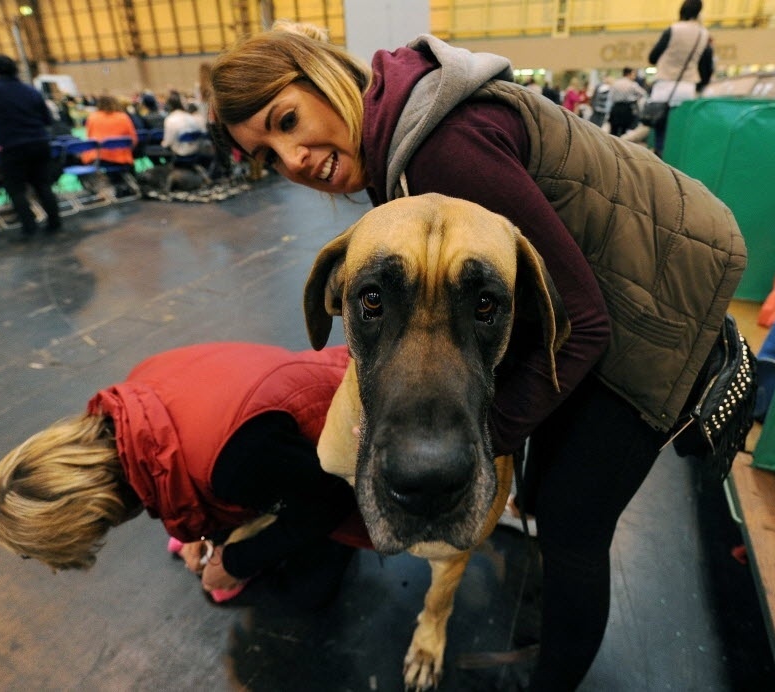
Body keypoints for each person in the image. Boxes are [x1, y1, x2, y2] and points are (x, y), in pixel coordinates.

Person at [210, 20, 745, 691]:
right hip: (605, 289)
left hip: (655, 308)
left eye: (286, 120)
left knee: (573, 527)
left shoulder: (441, 150)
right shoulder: (398, 133)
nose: (291, 159)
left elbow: (582, 324)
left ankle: (554, 681)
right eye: (266, 155)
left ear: (322, 76)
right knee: (546, 482)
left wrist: (478, 446)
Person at [0, 342, 369, 605]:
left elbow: (332, 499)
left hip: (362, 434)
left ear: (98, 514)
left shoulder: (231, 464)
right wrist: (203, 532)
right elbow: (182, 461)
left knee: (303, 594)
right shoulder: (134, 394)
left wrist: (235, 563)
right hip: (305, 406)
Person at [0, 55, 61, 239]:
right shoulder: (30, 90)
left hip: (12, 145)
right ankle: (54, 222)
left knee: (16, 188)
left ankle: (29, 227)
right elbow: (47, 119)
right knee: (43, 185)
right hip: (39, 142)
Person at [622, 0, 713, 157]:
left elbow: (653, 57)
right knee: (678, 129)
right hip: (687, 88)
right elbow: (706, 65)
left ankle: (660, 158)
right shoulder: (703, 34)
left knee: (660, 127)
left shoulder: (673, 29)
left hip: (665, 86)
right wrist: (700, 85)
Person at [82, 93, 139, 167]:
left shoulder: (92, 117)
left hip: (97, 159)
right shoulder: (123, 117)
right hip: (122, 159)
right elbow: (133, 140)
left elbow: (90, 137)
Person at [160, 92, 207, 157]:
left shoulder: (170, 119)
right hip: (196, 151)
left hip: (179, 153)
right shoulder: (190, 116)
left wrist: (163, 144)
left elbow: (168, 142)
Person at [607, 67, 648, 137]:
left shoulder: (616, 83)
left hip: (616, 108)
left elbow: (610, 96)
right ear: (629, 74)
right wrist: (636, 99)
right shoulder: (632, 84)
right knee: (625, 131)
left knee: (614, 130)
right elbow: (643, 93)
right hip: (627, 109)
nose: (634, 76)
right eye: (633, 74)